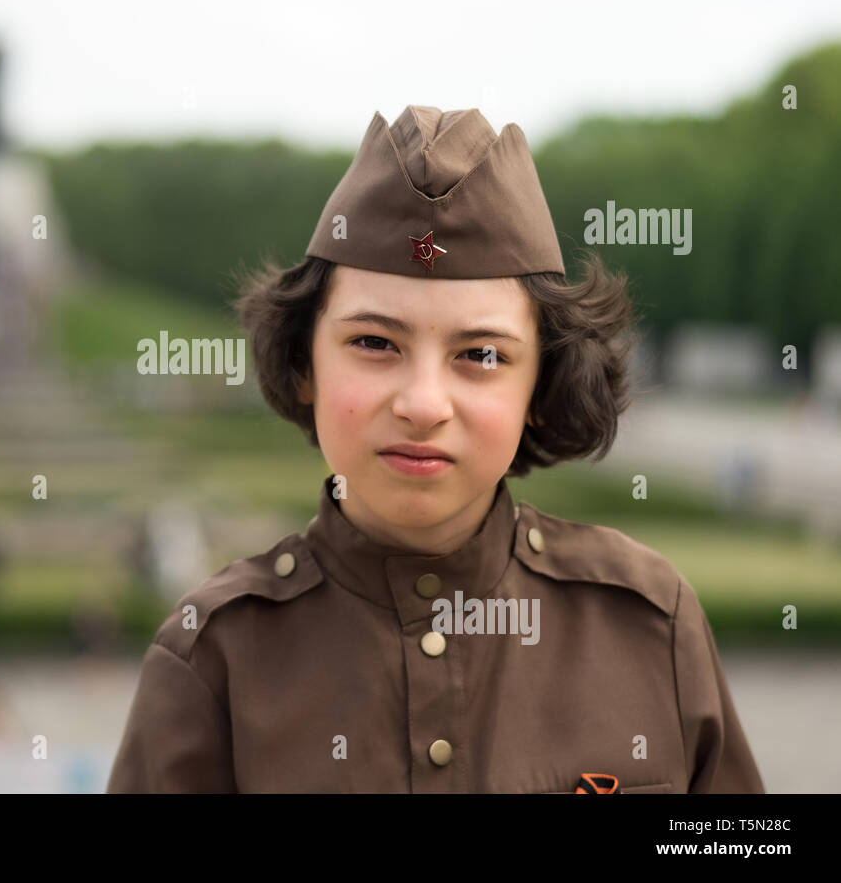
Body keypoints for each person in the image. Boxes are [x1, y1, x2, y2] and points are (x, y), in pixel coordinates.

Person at [106, 105, 765, 793]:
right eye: (374, 343)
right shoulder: (212, 658)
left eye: (480, 353)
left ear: (543, 384)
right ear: (304, 366)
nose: (422, 403)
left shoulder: (649, 623)